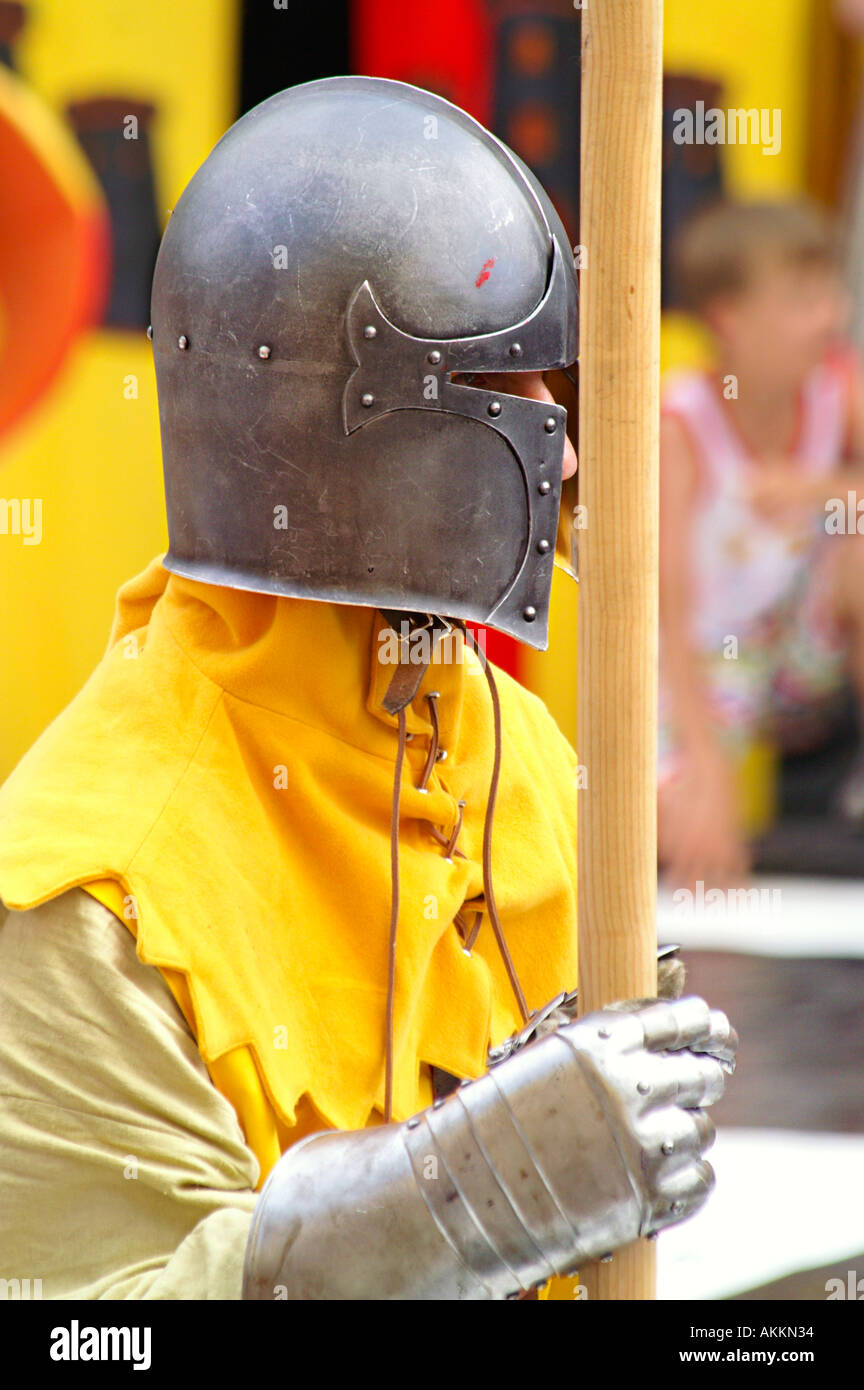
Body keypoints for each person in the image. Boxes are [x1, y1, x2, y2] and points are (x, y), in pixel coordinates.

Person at [0, 76, 735, 1301]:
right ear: (339, 424)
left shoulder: (530, 762)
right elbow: (87, 1327)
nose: (552, 427)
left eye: (550, 378)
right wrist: (457, 1203)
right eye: (495, 384)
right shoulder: (96, 891)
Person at [659, 200, 864, 892]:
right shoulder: (680, 426)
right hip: (701, 672)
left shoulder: (838, 391)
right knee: (676, 827)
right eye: (806, 300)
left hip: (795, 655)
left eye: (831, 292)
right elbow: (663, 620)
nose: (833, 316)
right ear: (730, 319)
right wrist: (706, 771)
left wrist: (822, 488)